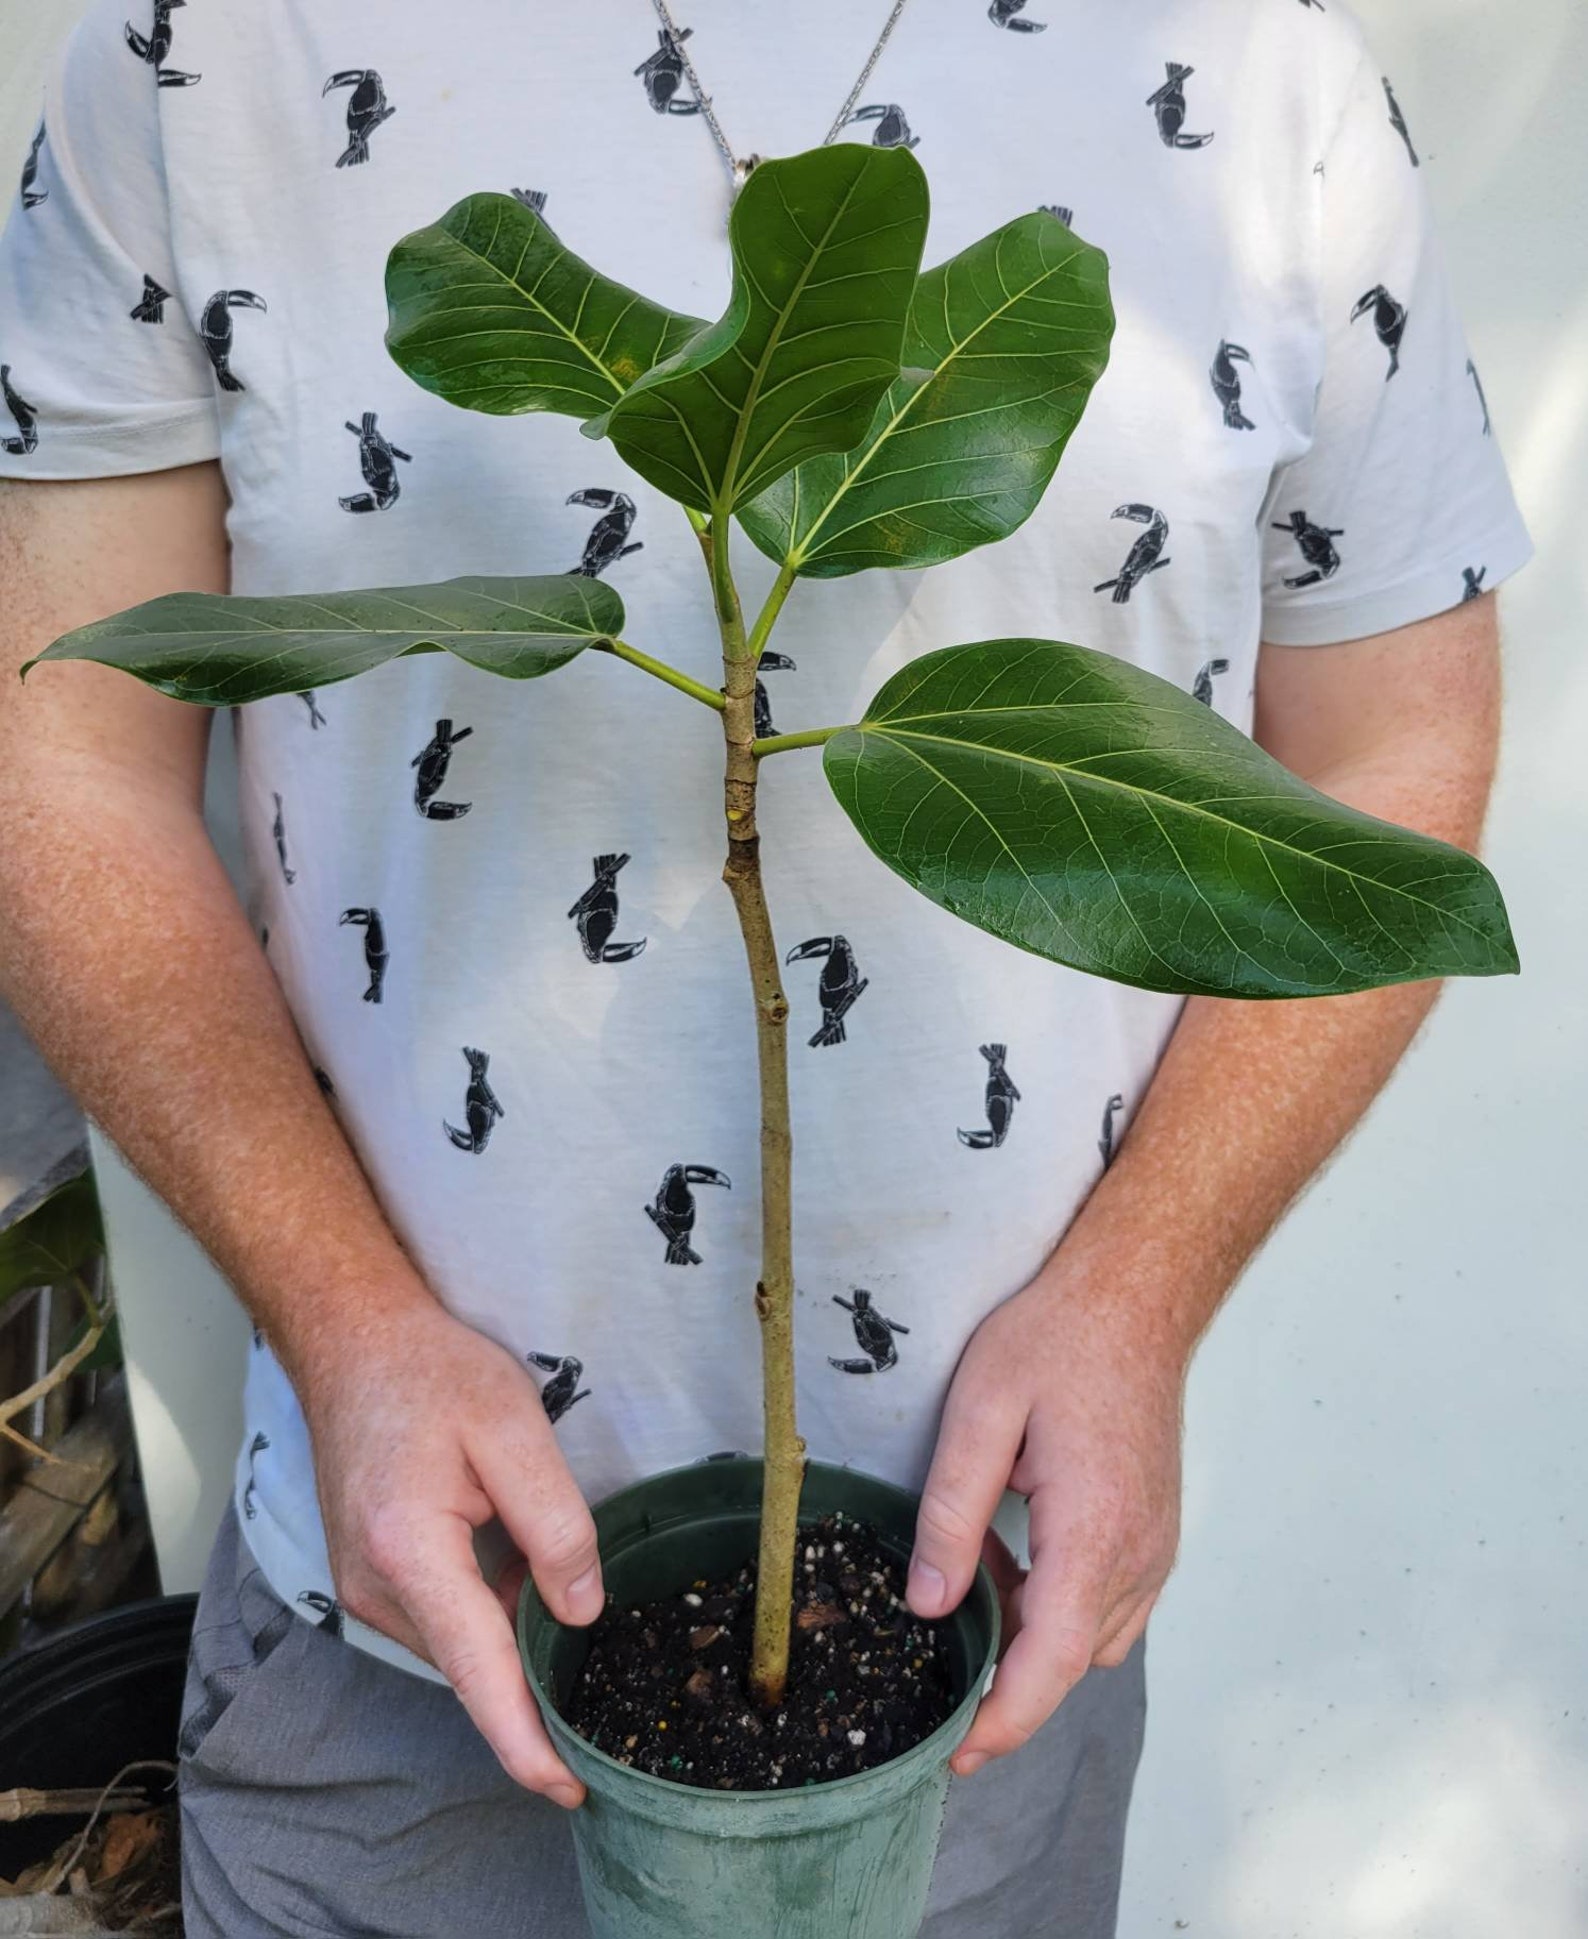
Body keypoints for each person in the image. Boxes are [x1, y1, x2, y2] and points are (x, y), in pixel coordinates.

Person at [0, 1, 1530, 1933]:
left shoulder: (1263, 69)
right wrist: (341, 1319)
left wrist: (1146, 1293)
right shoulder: (204, 45)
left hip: (980, 1638)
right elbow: (53, 733)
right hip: (396, 1623)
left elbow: (1384, 743)